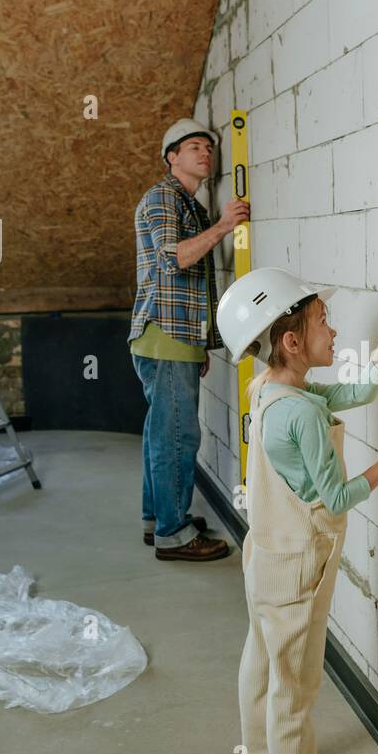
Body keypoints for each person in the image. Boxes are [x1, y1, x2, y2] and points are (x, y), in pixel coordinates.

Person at [216, 267, 378, 754]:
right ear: (292, 342)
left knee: (261, 661)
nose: (332, 332)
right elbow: (335, 498)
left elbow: (355, 390)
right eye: (323, 322)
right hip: (297, 569)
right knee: (295, 691)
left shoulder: (270, 389)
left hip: (264, 555)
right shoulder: (303, 416)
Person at [128, 118, 248, 562]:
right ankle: (173, 534)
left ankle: (155, 518)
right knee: (177, 437)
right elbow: (173, 259)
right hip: (164, 334)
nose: (204, 153)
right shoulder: (163, 197)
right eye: (193, 146)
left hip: (177, 337)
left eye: (208, 148)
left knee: (159, 432)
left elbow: (199, 284)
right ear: (171, 157)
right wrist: (223, 226)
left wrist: (201, 342)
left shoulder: (189, 205)